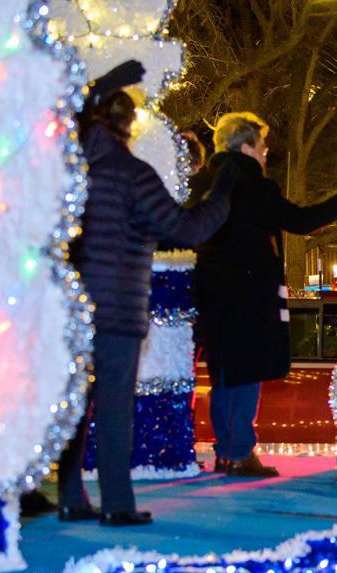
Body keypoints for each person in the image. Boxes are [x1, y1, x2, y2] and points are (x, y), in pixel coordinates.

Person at [58, 78, 236, 527]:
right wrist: (220, 195)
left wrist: (109, 81)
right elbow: (184, 227)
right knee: (115, 405)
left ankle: (69, 494)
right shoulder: (132, 173)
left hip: (73, 307)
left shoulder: (74, 167)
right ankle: (117, 503)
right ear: (129, 125)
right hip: (118, 306)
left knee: (74, 404)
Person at [194, 112, 337, 477]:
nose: (266, 151)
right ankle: (240, 451)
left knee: (224, 370)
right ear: (245, 147)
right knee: (248, 369)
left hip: (213, 291)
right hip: (250, 292)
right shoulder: (254, 187)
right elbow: (301, 220)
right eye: (261, 144)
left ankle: (227, 449)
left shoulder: (206, 183)